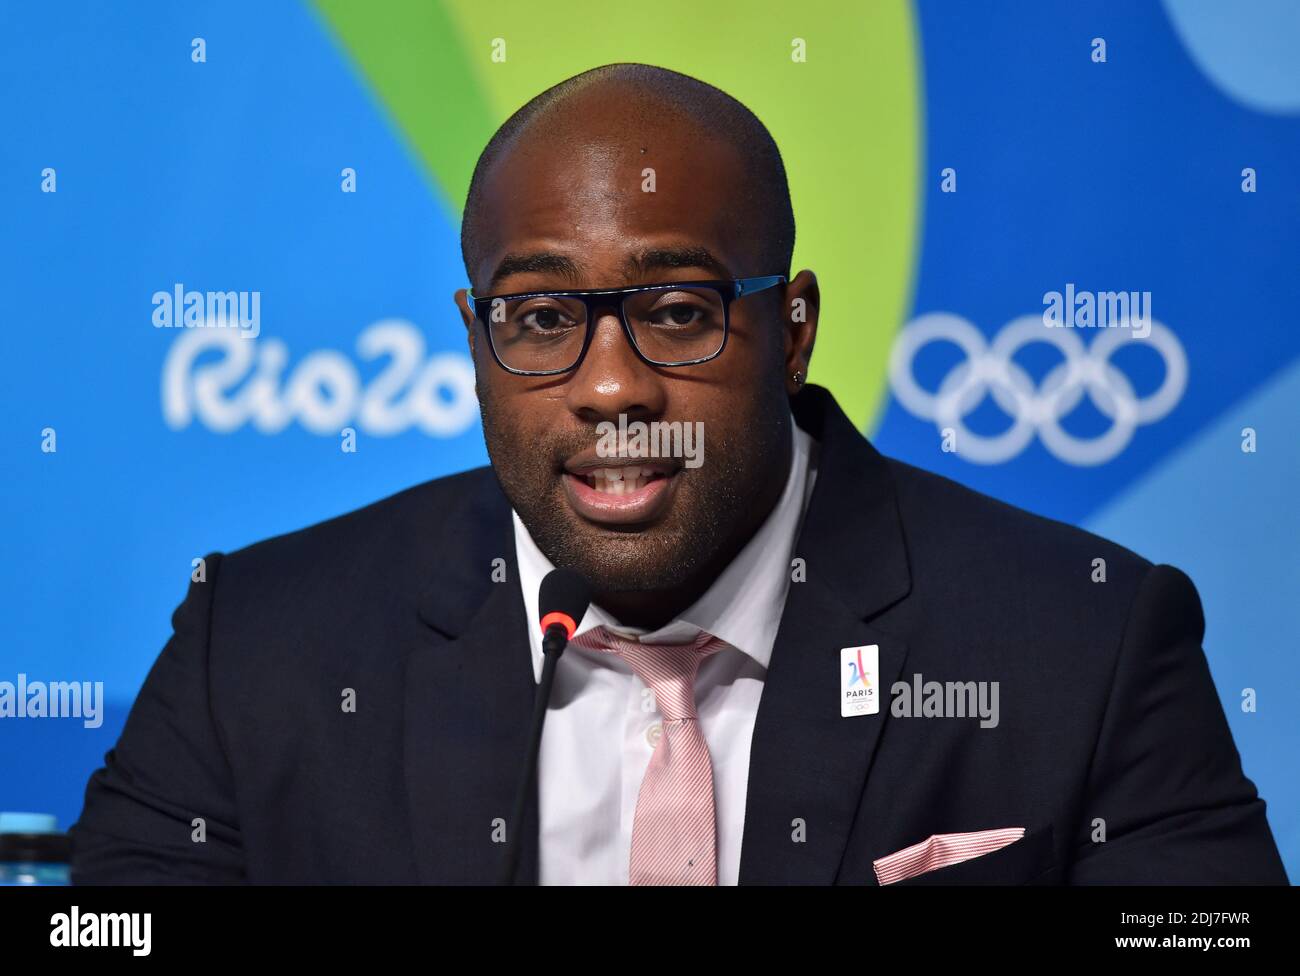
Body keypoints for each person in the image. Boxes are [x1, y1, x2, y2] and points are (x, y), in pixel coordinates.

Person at [71, 63, 1287, 885]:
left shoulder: (1082, 639)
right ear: (477, 338)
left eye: (675, 308)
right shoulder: (264, 647)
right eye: (543, 317)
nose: (611, 388)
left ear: (793, 326)